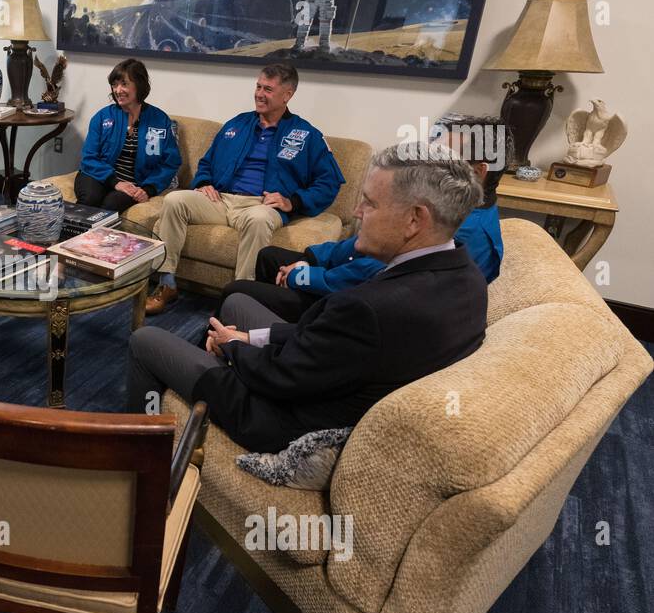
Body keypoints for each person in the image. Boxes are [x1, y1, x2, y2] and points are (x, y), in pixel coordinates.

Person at [126, 143, 487, 453]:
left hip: (281, 418)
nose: (358, 213)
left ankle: (137, 455)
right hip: (327, 378)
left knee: (145, 339)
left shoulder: (369, 309)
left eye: (370, 204)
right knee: (237, 303)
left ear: (414, 220)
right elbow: (322, 346)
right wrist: (246, 337)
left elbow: (282, 376)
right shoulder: (468, 278)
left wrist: (234, 348)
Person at [211, 114, 509, 329]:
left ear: (478, 172)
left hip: (350, 300)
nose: (425, 162)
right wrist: (314, 258)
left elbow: (371, 273)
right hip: (347, 278)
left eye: (441, 157)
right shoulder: (439, 206)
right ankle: (251, 332)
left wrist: (303, 276)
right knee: (269, 257)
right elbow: (360, 245)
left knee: (237, 291)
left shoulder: (458, 231)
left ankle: (235, 342)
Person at [145, 63, 343, 314]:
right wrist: (204, 183)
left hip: (260, 206)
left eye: (268, 89)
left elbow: (329, 182)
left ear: (287, 95)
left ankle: (239, 302)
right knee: (175, 200)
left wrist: (293, 201)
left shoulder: (306, 135)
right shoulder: (237, 124)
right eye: (258, 86)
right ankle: (166, 283)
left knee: (259, 220)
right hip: (222, 199)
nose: (259, 94)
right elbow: (207, 162)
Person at [75, 58, 181, 213]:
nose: (118, 90)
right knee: (90, 199)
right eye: (114, 84)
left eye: (124, 84)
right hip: (97, 176)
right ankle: (71, 235)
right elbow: (89, 157)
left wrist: (149, 189)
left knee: (111, 206)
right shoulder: (103, 117)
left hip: (133, 184)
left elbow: (170, 162)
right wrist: (115, 182)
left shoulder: (159, 120)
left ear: (139, 85)